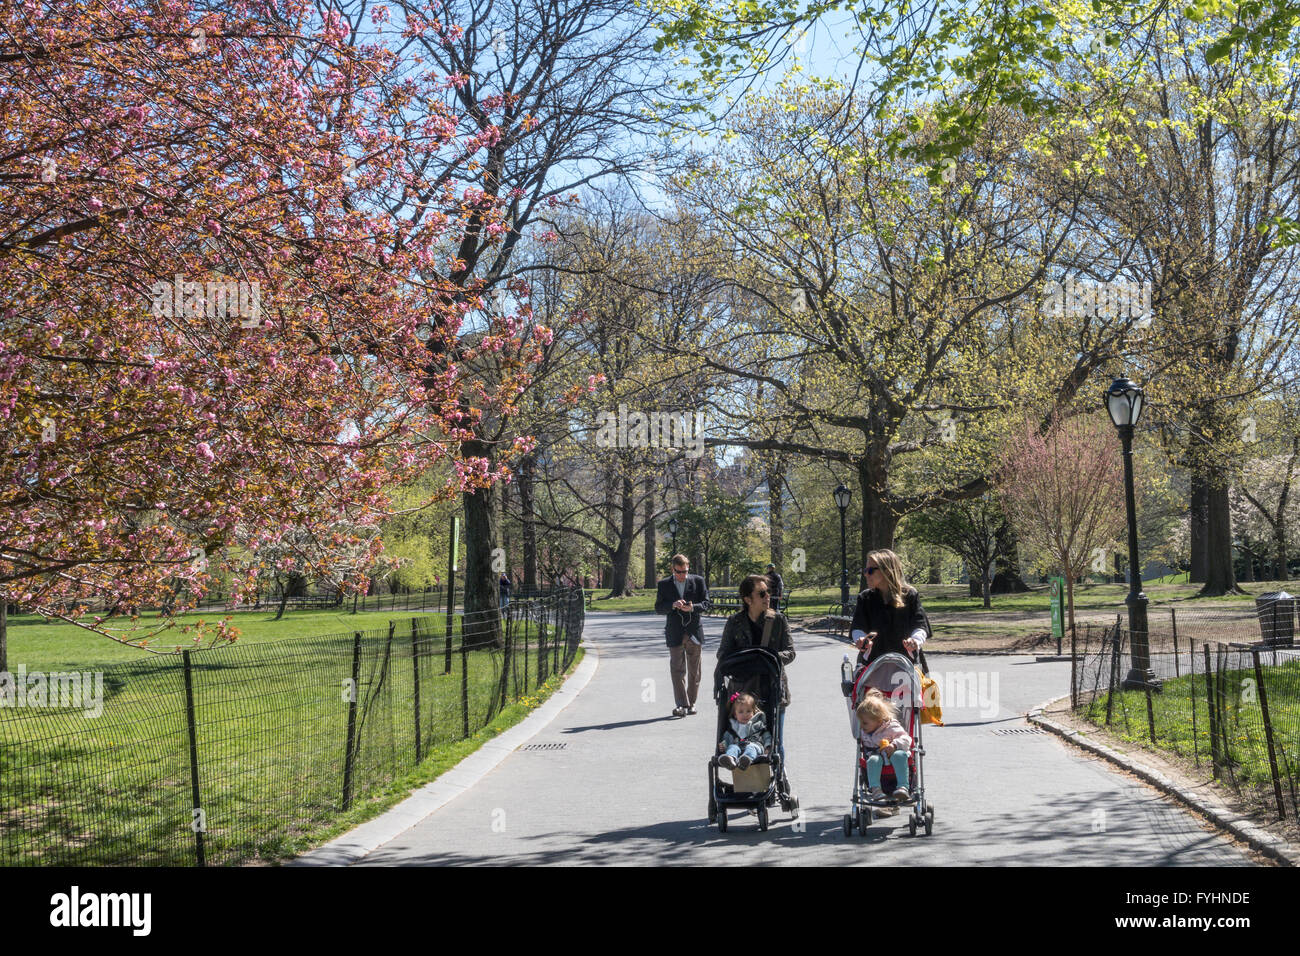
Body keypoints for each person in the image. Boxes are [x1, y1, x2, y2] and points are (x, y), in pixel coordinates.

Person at [715, 573, 795, 762]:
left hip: (773, 688)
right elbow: (723, 654)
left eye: (769, 592)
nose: (768, 596)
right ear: (748, 599)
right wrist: (748, 661)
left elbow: (790, 652)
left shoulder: (778, 620)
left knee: (774, 742)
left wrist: (766, 659)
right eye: (762, 593)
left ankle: (780, 777)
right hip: (743, 693)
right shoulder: (735, 622)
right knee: (740, 738)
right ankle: (745, 778)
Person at [849, 549, 931, 670]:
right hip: (872, 666)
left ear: (887, 571)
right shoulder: (865, 598)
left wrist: (915, 640)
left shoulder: (910, 595)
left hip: (907, 665)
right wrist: (861, 639)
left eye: (870, 570)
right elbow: (857, 627)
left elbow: (920, 625)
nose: (866, 574)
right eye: (865, 571)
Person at [655, 554, 711, 717]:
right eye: (679, 572)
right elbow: (658, 608)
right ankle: (681, 704)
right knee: (677, 670)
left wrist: (693, 607)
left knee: (695, 671)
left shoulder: (698, 581)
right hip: (675, 632)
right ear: (673, 569)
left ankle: (692, 703)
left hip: (694, 631)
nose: (683, 575)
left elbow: (707, 603)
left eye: (685, 571)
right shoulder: (664, 584)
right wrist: (672, 605)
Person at [854, 688, 913, 803]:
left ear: (879, 720)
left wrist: (894, 745)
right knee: (872, 760)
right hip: (877, 757)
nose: (861, 726)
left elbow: (906, 739)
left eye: (865, 723)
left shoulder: (891, 727)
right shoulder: (865, 732)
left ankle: (903, 787)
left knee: (899, 755)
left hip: (894, 755)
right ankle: (876, 790)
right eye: (860, 722)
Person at [717, 691, 771, 770]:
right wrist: (723, 745)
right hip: (738, 746)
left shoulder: (758, 724)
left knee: (751, 748)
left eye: (748, 711)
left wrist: (768, 747)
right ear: (735, 715)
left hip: (755, 745)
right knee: (732, 747)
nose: (745, 715)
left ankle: (745, 760)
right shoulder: (733, 727)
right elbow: (727, 738)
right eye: (741, 712)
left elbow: (766, 735)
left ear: (754, 712)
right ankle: (730, 759)